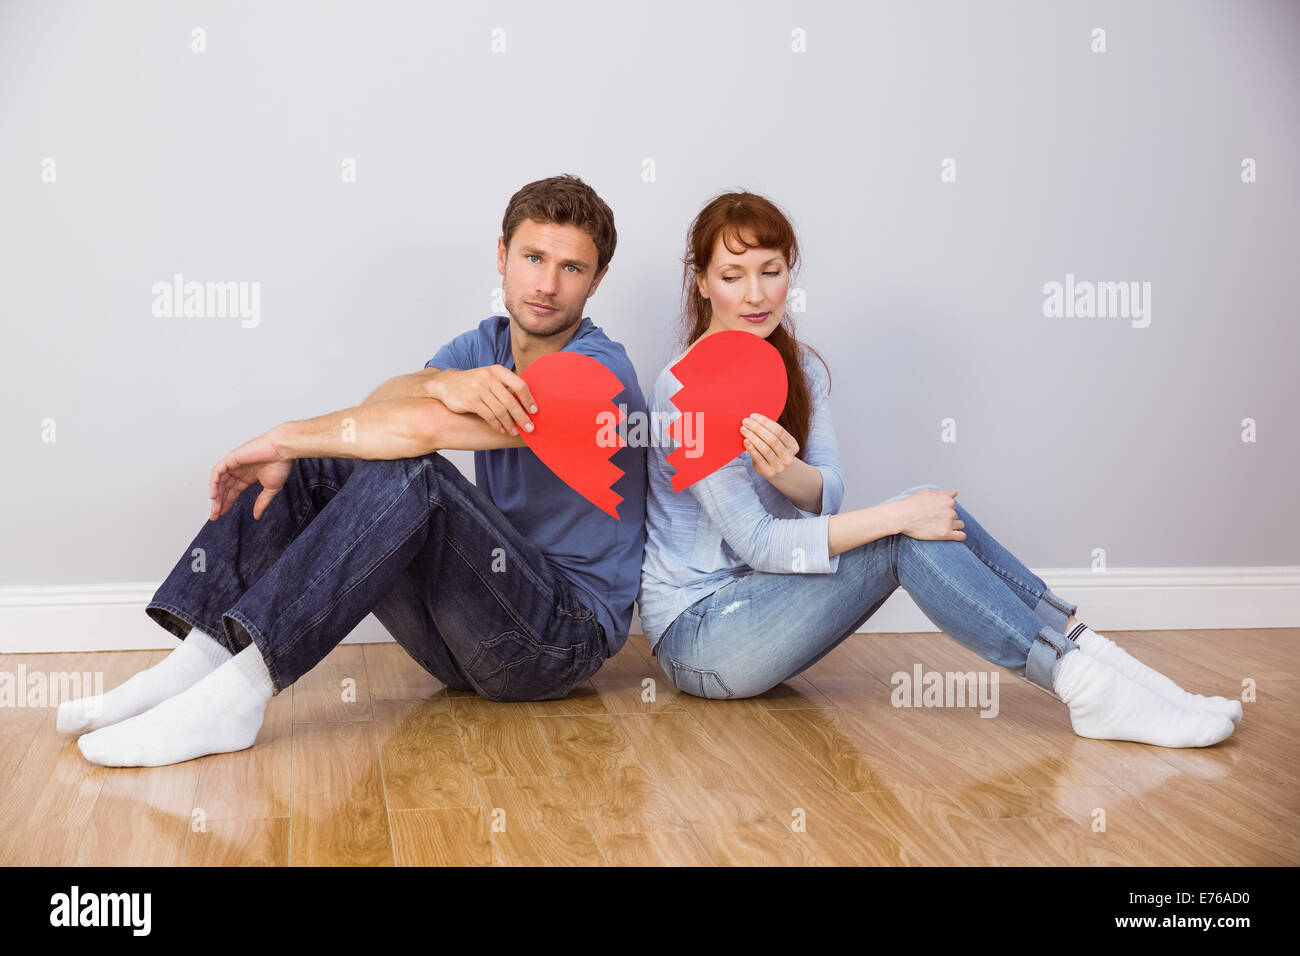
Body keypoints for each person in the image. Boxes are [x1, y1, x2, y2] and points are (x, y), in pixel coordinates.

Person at [59, 174, 649, 767]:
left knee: (408, 474)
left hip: (556, 642)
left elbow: (418, 432)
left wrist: (282, 439)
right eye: (533, 257)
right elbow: (379, 410)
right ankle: (192, 668)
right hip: (466, 640)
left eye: (571, 268)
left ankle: (238, 697)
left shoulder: (600, 377)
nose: (546, 285)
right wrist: (444, 381)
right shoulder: (486, 344)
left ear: (596, 281)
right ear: (502, 256)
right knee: (335, 456)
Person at [637, 190, 1241, 748]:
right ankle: (1086, 686)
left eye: (771, 271)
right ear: (701, 284)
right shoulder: (687, 389)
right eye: (732, 276)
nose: (756, 294)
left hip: (767, 607)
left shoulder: (802, 370)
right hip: (701, 638)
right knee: (908, 528)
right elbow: (762, 544)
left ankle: (1102, 661)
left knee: (924, 507)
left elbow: (829, 492)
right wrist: (898, 515)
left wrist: (786, 474)